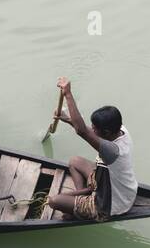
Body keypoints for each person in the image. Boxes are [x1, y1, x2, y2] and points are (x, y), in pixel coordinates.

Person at [45, 77, 138, 221]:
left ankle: (83, 202)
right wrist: (68, 119)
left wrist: (68, 94)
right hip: (116, 185)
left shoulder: (113, 151)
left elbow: (82, 131)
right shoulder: (120, 130)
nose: (92, 130)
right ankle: (84, 193)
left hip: (111, 205)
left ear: (106, 132)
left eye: (95, 129)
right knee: (74, 161)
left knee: (53, 201)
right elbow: (85, 130)